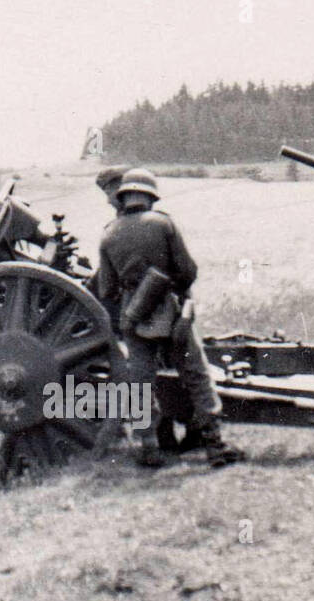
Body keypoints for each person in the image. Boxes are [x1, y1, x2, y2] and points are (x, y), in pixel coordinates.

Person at [96, 169, 244, 468]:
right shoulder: (163, 224)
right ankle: (214, 445)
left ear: (123, 197)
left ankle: (148, 448)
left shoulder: (109, 233)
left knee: (140, 382)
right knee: (196, 375)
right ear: (150, 196)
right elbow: (188, 270)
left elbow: (107, 289)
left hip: (133, 317)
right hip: (172, 311)